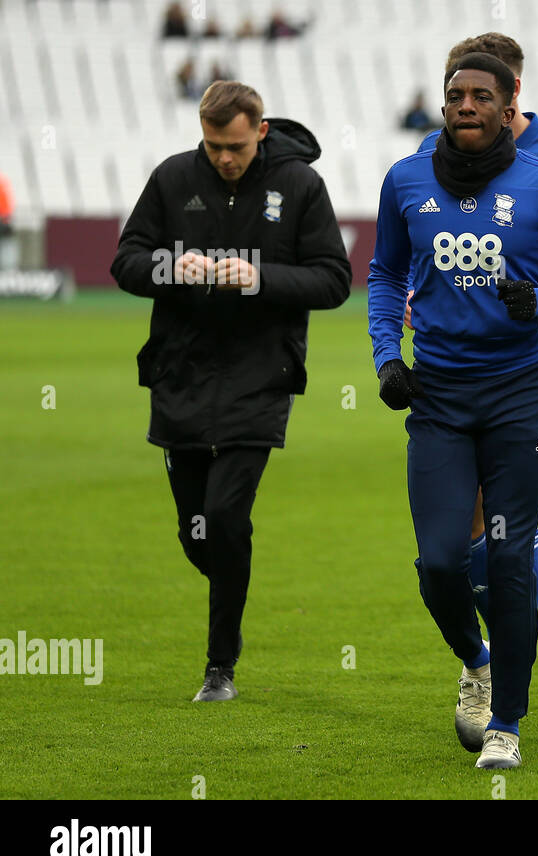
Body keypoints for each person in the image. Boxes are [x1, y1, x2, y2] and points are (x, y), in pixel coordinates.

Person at [368, 52, 538, 768]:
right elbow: (385, 272)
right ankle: (474, 660)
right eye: (455, 95)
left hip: (518, 396)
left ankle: (505, 721)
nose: (465, 105)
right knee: (439, 561)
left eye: (482, 95)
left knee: (509, 559)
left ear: (511, 105)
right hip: (440, 398)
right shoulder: (406, 179)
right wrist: (388, 354)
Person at [109, 81, 351, 702]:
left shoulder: (299, 187)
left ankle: (220, 668)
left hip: (259, 378)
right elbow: (127, 261)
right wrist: (171, 267)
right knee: (198, 535)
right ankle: (231, 578)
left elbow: (333, 279)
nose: (223, 157)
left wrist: (259, 278)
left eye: (236, 146)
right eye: (214, 145)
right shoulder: (171, 178)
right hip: (180, 375)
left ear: (261, 131)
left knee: (224, 518)